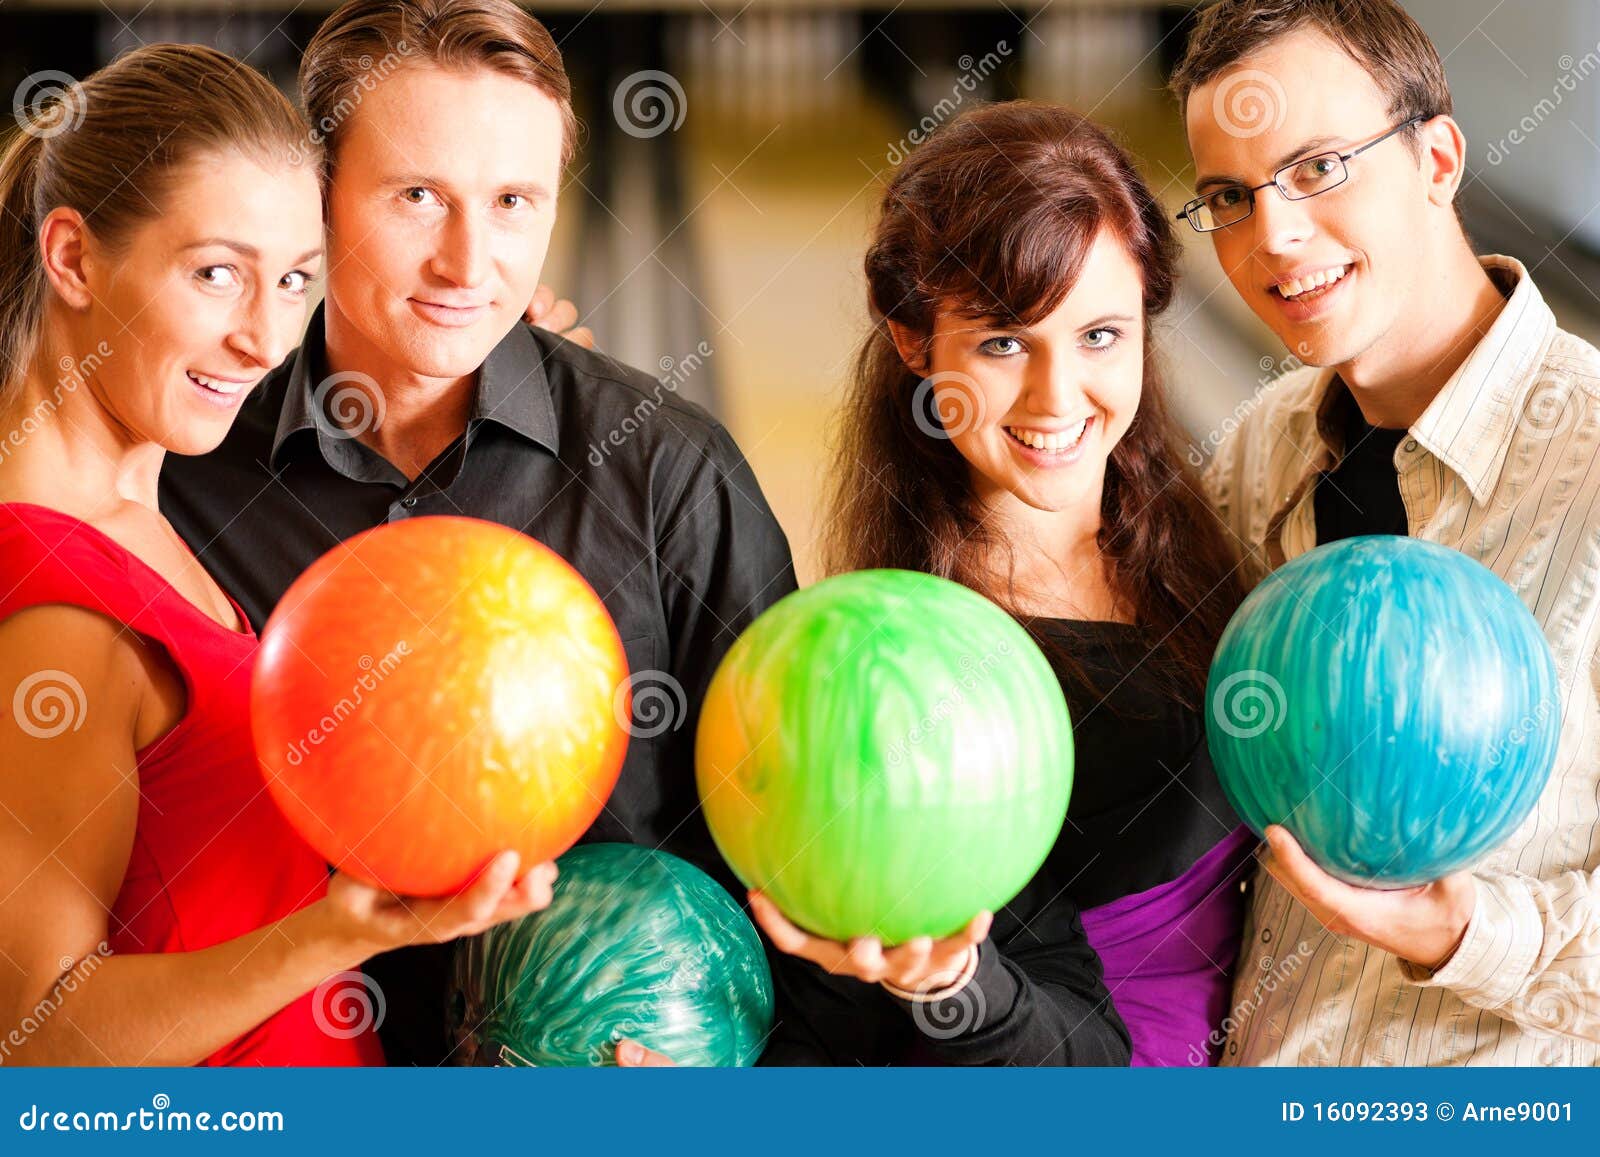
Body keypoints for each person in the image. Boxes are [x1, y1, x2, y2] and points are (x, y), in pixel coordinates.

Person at [157, 0, 797, 1066]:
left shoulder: (667, 470)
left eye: (512, 202)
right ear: (317, 194)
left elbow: (785, 846)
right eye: (418, 197)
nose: (469, 261)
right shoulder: (188, 470)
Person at [0, 43, 555, 1067]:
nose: (264, 340)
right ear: (73, 257)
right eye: (216, 273)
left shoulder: (147, 501)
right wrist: (341, 932)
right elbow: (35, 1043)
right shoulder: (57, 609)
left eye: (296, 278)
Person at [755, 102, 1255, 1066]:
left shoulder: (1210, 520)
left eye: (1101, 335)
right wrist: (951, 984)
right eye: (1002, 343)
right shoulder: (917, 677)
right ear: (913, 341)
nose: (1058, 397)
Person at [1175, 0, 1600, 1064]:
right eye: (1229, 195)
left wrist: (1464, 933)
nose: (1270, 234)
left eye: (1317, 167)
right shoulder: (1250, 456)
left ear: (1438, 159)